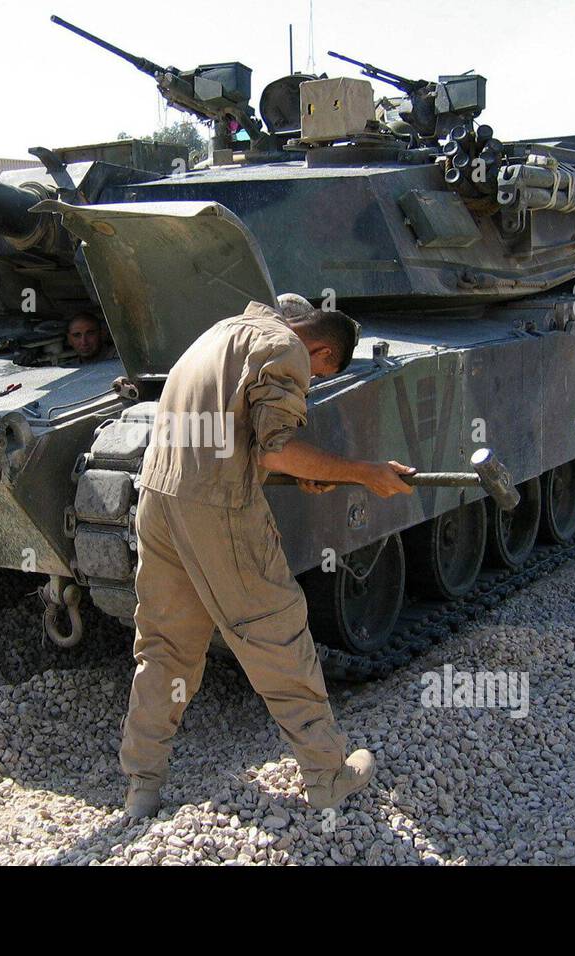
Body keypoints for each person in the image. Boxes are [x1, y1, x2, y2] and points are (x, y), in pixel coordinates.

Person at [120, 298, 415, 819]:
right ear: (320, 348)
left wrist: (303, 467)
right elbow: (279, 448)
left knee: (165, 650)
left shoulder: (219, 331)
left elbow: (225, 434)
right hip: (216, 510)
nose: (313, 380)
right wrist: (365, 473)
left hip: (158, 499)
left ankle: (142, 787)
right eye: (320, 372)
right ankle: (326, 775)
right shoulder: (284, 348)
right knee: (277, 634)